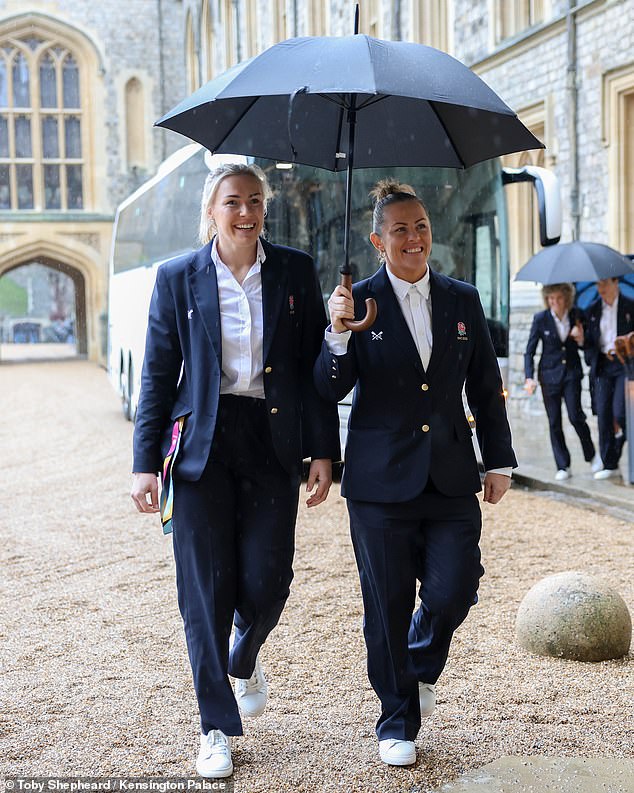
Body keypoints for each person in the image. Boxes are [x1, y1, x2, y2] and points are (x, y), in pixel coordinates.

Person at [130, 162, 340, 779]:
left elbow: (309, 377)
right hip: (201, 446)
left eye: (254, 200)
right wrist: (145, 464)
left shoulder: (296, 272)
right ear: (211, 211)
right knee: (203, 594)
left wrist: (323, 451)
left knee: (270, 579)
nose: (245, 212)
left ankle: (242, 659)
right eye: (232, 202)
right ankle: (214, 727)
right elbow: (156, 375)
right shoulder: (177, 278)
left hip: (272, 441)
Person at [314, 179, 517, 768]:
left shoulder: (462, 299)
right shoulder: (357, 304)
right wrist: (337, 334)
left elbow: (484, 385)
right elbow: (328, 388)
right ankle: (397, 716)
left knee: (456, 587)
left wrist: (497, 460)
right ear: (378, 240)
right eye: (400, 229)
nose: (414, 238)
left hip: (452, 474)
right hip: (380, 483)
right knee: (387, 603)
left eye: (421, 225)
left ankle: (418, 666)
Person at [523, 283, 598, 480]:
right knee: (554, 421)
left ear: (567, 299)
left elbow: (588, 345)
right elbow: (529, 350)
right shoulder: (541, 319)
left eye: (559, 298)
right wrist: (529, 377)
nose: (554, 303)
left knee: (576, 416)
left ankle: (592, 456)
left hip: (572, 374)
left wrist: (581, 339)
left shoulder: (577, 315)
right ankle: (563, 465)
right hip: (549, 377)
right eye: (551, 299)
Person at [584, 277, 634, 479]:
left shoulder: (630, 306)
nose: (600, 289)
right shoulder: (592, 310)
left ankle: (621, 439)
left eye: (604, 284)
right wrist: (581, 339)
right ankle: (609, 463)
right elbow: (589, 343)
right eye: (597, 285)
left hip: (624, 364)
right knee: (603, 414)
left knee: (621, 413)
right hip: (603, 366)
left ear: (615, 283)